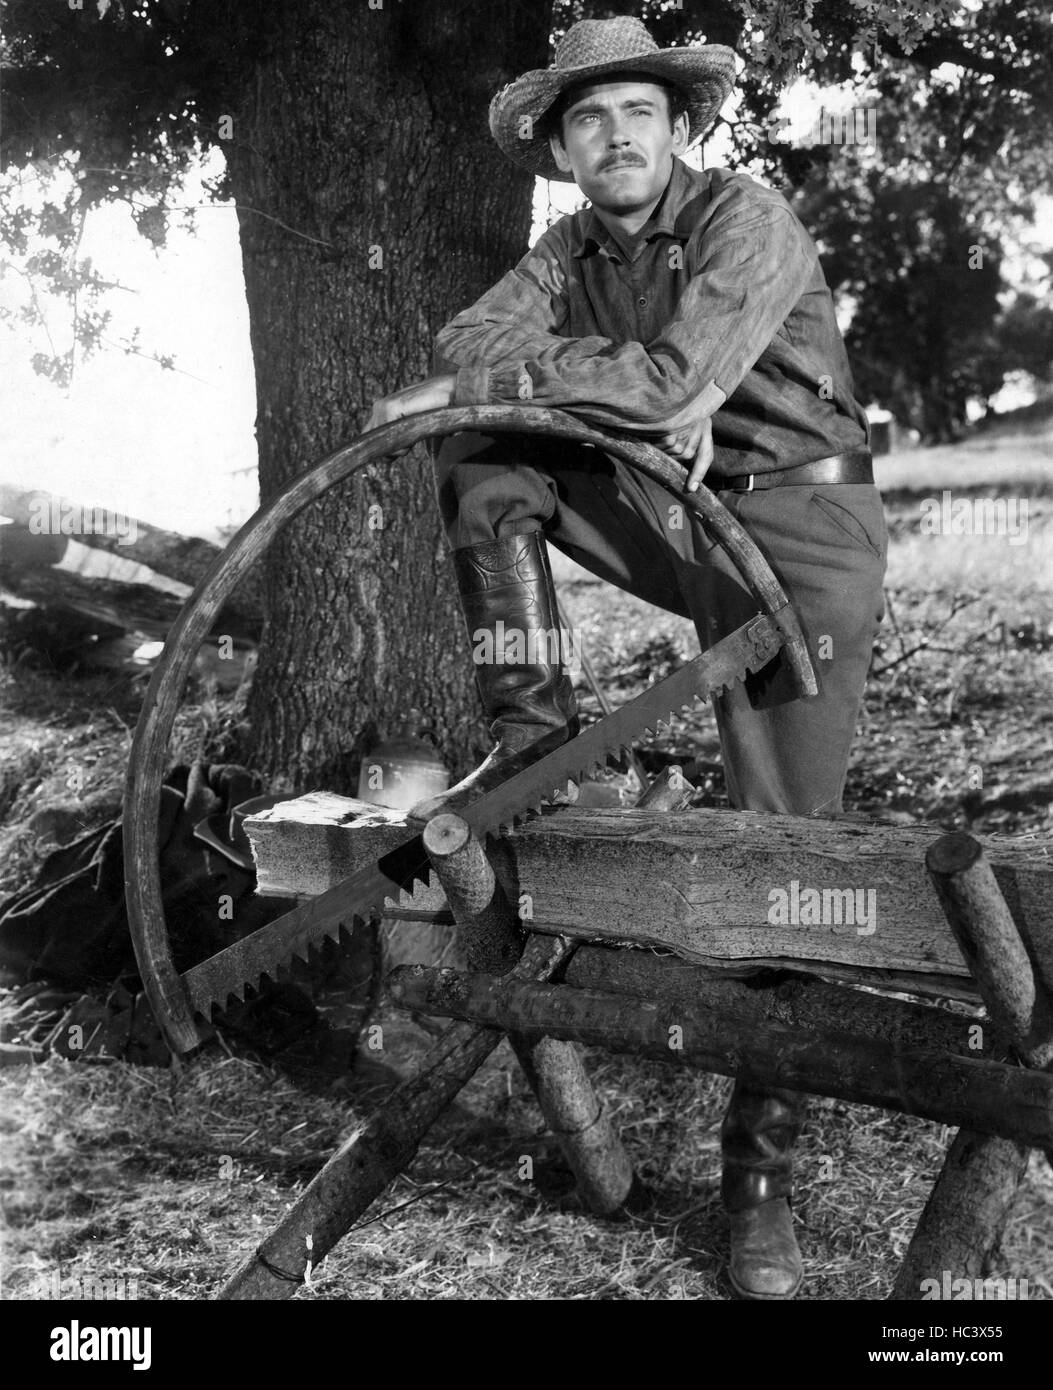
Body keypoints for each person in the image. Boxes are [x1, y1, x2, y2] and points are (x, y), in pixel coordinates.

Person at [366, 15, 888, 1300]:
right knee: (484, 451)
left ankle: (757, 1184)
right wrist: (610, 391)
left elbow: (661, 386)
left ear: (677, 125)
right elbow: (463, 348)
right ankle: (537, 730)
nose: (616, 135)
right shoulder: (562, 253)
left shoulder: (744, 218)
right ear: (561, 146)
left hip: (805, 536)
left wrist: (659, 392)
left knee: (789, 859)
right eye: (589, 119)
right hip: (679, 515)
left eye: (638, 111)